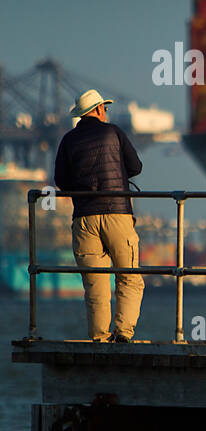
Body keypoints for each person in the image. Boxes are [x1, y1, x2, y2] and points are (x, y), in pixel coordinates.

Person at [54, 89, 145, 342]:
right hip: (118, 214)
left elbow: (60, 180)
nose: (106, 112)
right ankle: (124, 334)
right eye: (105, 108)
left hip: (84, 218)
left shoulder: (68, 140)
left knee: (96, 285)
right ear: (97, 109)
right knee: (129, 278)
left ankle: (99, 338)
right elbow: (136, 167)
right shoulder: (114, 132)